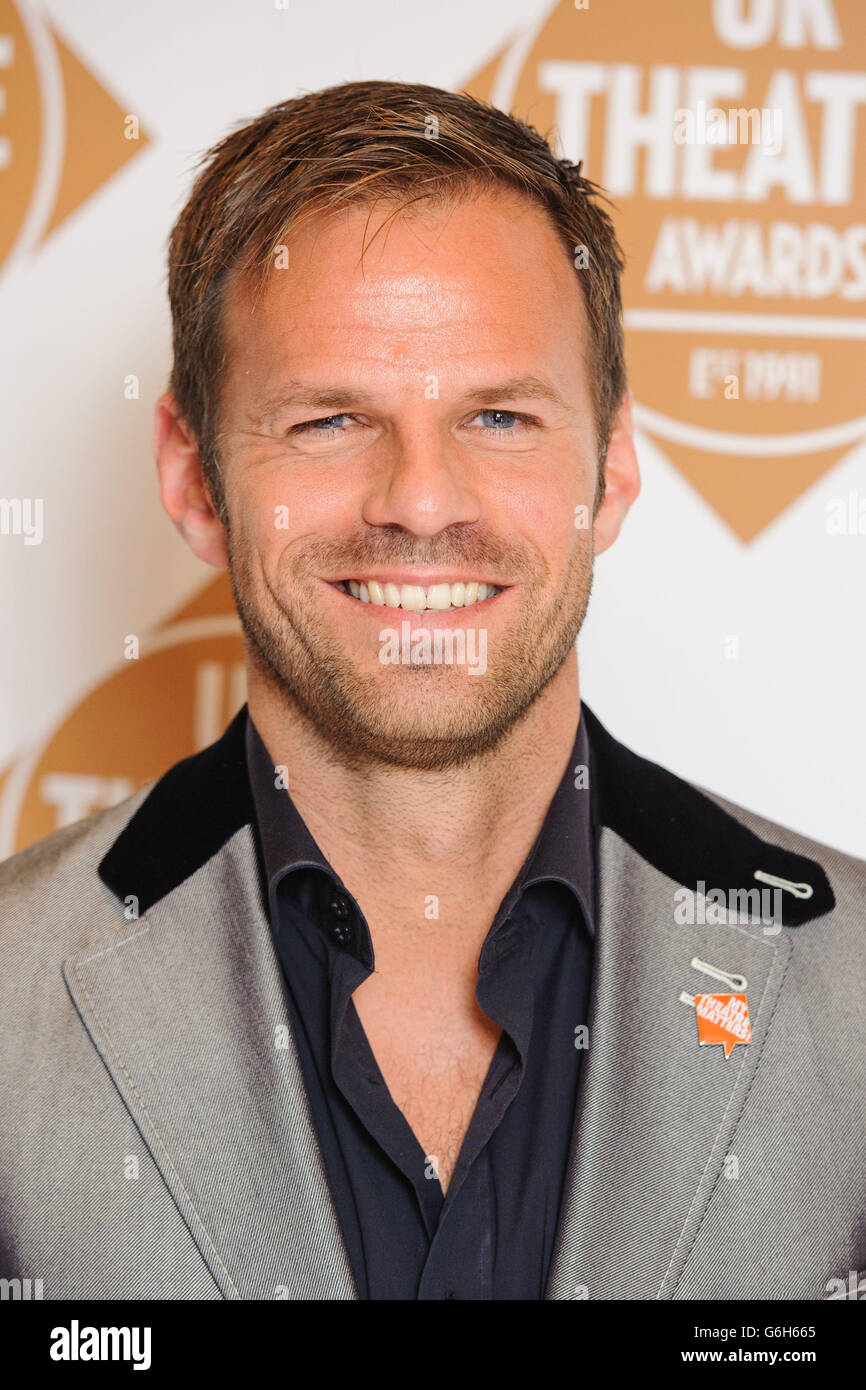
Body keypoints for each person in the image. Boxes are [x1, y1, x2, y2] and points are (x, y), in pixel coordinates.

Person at [0, 80, 862, 1302]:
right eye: (330, 419)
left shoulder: (852, 981)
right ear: (195, 480)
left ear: (608, 468)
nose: (419, 498)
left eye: (498, 416)